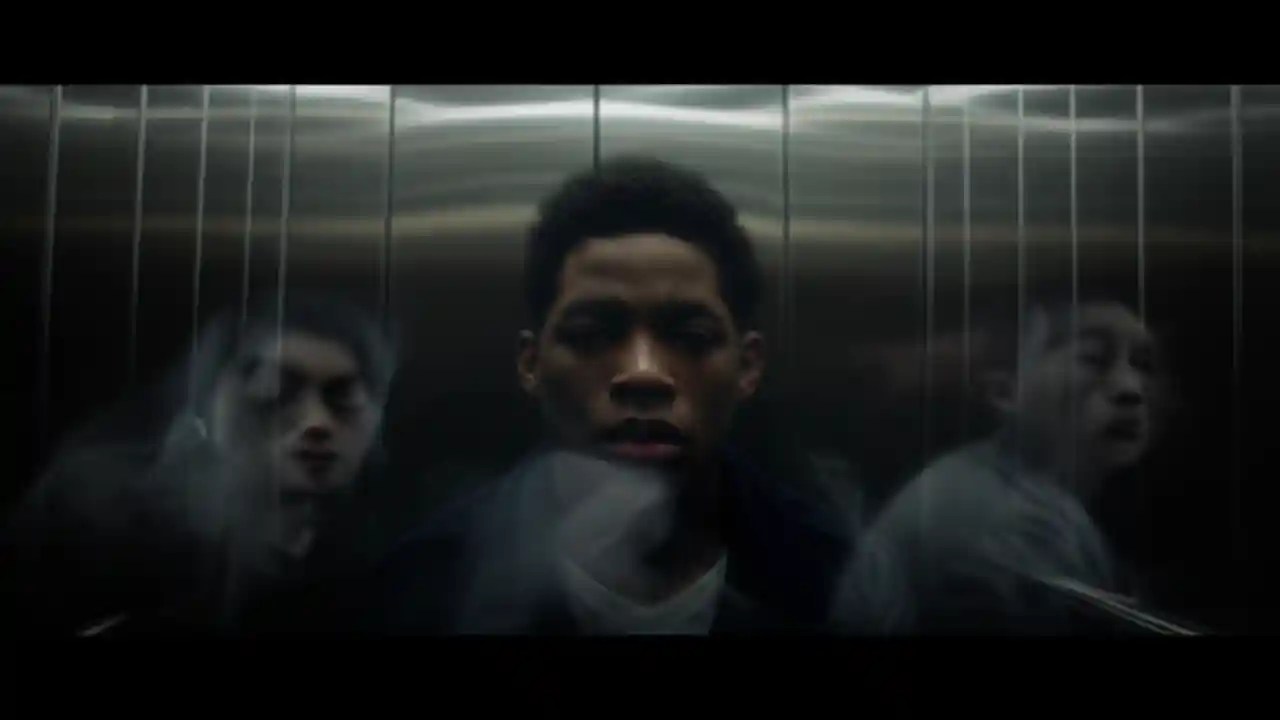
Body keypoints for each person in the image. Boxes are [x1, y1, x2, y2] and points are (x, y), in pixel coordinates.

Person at [353, 157, 852, 635]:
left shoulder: (836, 578)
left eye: (692, 338)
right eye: (591, 336)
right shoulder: (424, 585)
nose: (643, 374)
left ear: (747, 366)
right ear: (531, 364)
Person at [1, 294, 396, 635]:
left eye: (344, 397)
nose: (316, 422)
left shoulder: (388, 557)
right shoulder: (97, 516)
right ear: (210, 401)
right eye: (275, 387)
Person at [833, 296, 1177, 634]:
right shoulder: (1005, 524)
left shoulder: (1007, 486)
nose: (1132, 389)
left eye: (1143, 364)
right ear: (1004, 392)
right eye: (1093, 359)